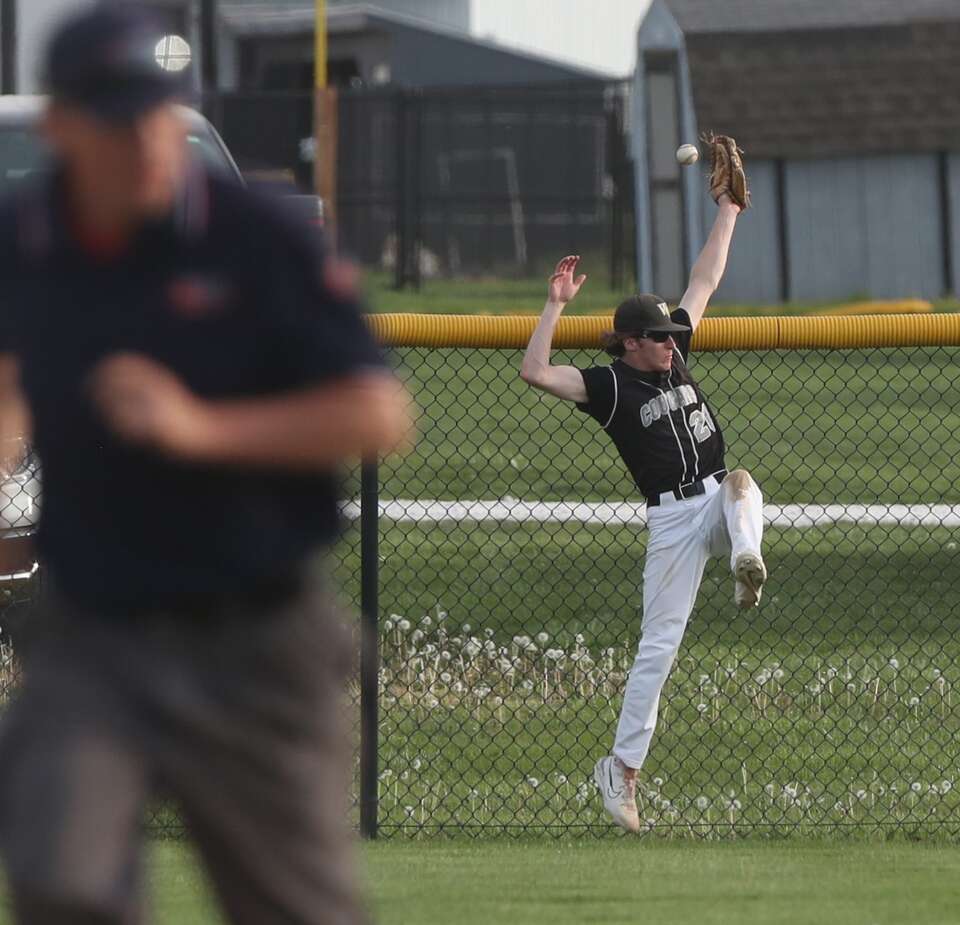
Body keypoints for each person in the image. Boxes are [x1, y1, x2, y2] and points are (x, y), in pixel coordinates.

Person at [0, 5, 411, 923]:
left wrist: (199, 429)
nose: (147, 139)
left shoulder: (257, 233)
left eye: (160, 111)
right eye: (117, 117)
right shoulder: (27, 237)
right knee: (59, 879)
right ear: (61, 125)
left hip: (253, 631)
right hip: (92, 629)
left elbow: (379, 412)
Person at [520, 154, 765, 834]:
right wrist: (554, 304)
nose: (670, 342)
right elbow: (534, 370)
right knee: (658, 648)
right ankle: (620, 770)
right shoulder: (610, 385)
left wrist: (729, 211)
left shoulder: (676, 350)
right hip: (673, 521)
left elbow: (705, 277)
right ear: (631, 343)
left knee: (744, 484)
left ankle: (748, 566)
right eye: (657, 336)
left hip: (714, 498)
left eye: (670, 333)